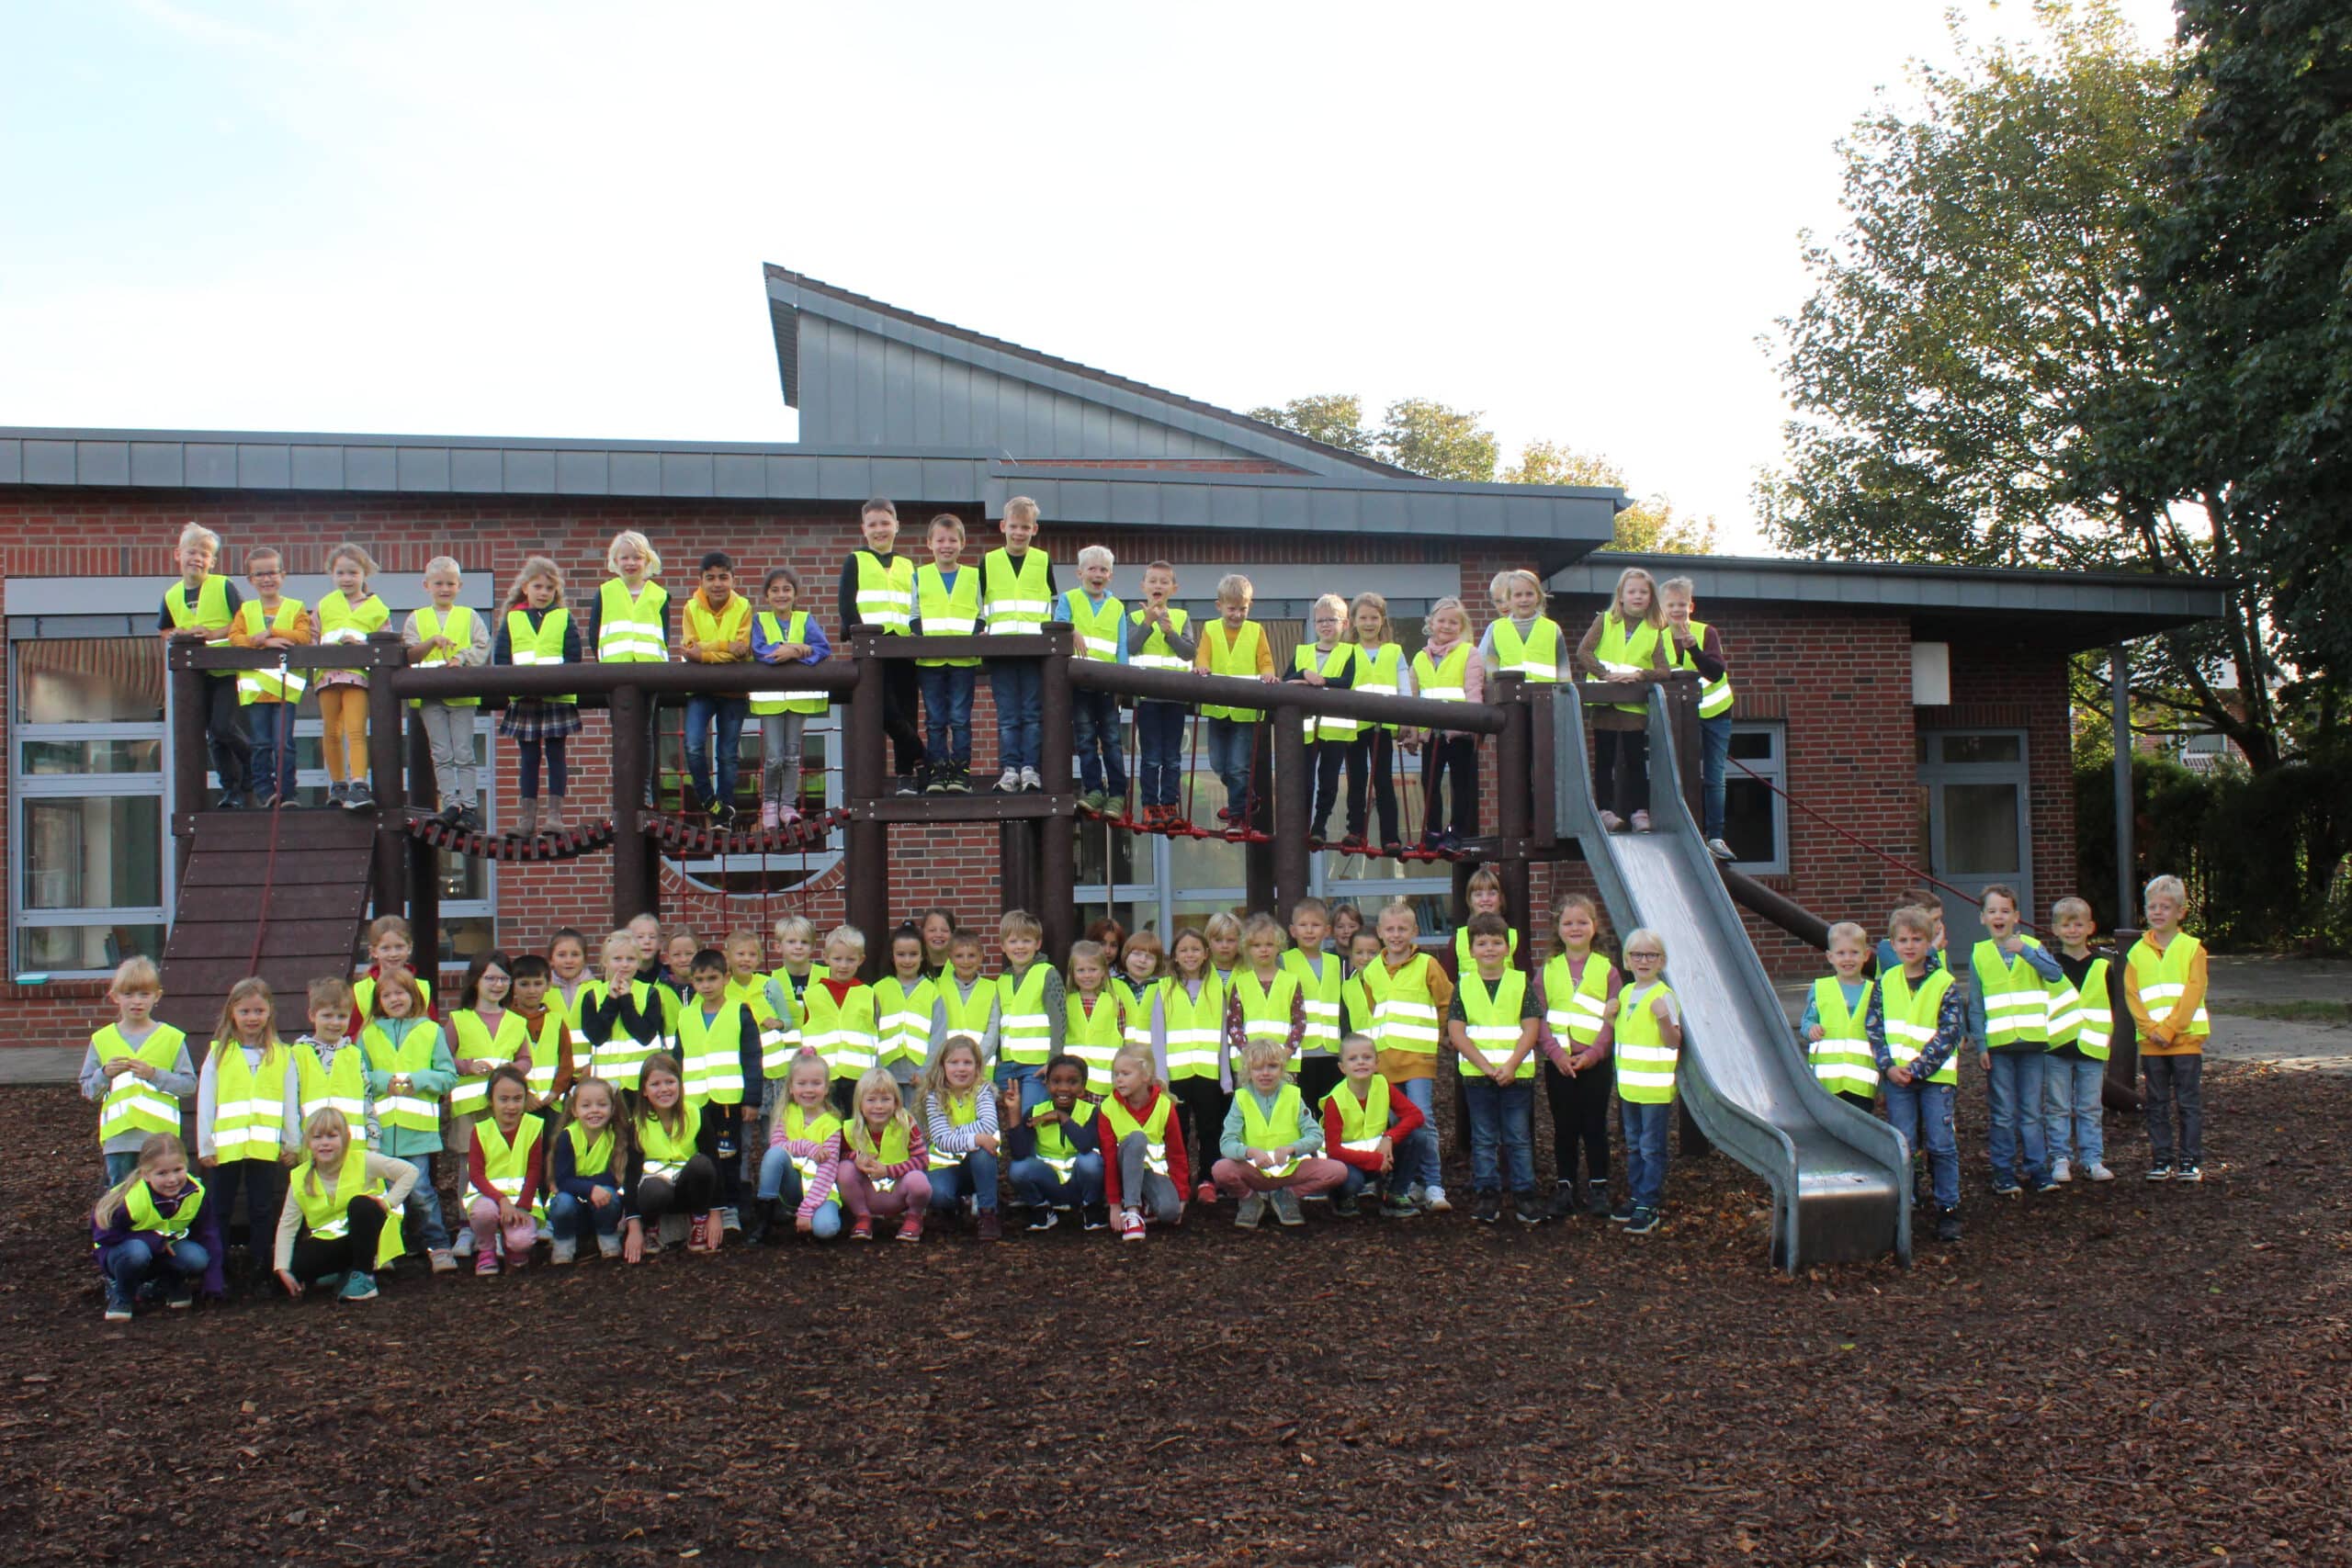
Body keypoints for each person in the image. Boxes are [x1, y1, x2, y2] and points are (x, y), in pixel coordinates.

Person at [1869, 904, 1967, 1243]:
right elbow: (1875, 1028)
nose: (1910, 946)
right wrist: (1888, 1066)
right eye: (1903, 940)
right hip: (1898, 1080)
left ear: (1930, 943)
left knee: (1941, 1144)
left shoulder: (1945, 982)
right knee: (1903, 1142)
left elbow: (1950, 1031)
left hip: (1935, 1079)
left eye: (1917, 939)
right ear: (1892, 945)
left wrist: (1919, 1067)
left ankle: (1948, 1208)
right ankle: (1906, 1202)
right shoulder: (1885, 982)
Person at [196, 976, 300, 1280]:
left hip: (265, 1147)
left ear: (269, 1012)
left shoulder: (282, 1054)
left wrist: (292, 1143)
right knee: (221, 1208)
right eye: (245, 1012)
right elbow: (206, 1102)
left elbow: (289, 1103)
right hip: (225, 1147)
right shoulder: (218, 1053)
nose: (252, 1018)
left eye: (258, 1011)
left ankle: (260, 1267)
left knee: (262, 1208)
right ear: (232, 1012)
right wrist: (205, 1144)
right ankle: (218, 1268)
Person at [1970, 884, 2069, 1197]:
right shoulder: (1980, 954)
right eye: (1992, 911)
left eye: (2005, 911)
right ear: (1982, 918)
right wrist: (1981, 1045)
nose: (1999, 916)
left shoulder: (2032, 945)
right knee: (2002, 1111)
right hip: (1999, 1047)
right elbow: (1976, 1005)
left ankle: (2037, 1168)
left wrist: (2025, 951)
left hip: (2032, 1044)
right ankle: (2003, 1171)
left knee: (2031, 1111)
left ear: (2017, 917)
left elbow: (2055, 974)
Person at [359, 968, 458, 1271]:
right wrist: (382, 1081)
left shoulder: (431, 1031)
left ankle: (439, 1246)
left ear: (414, 995)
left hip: (418, 1131)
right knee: (384, 1194)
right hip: (381, 1132)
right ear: (378, 1001)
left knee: (421, 1193)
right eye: (386, 995)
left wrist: (420, 1080)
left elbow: (448, 1076)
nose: (394, 999)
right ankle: (385, 1251)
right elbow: (358, 1075)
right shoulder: (369, 1034)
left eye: (400, 992)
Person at [1450, 911, 1543, 1224]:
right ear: (1471, 949)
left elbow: (1531, 1028)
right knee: (1484, 1138)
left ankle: (1525, 1195)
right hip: (1478, 1077)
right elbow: (1456, 1033)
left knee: (1518, 1137)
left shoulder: (1519, 981)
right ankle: (1487, 1195)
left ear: (1508, 947)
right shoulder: (1463, 985)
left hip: (1516, 1076)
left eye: (1496, 943)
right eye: (1482, 943)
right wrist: (1488, 1067)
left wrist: (1510, 1065)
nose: (1489, 949)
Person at [1362, 900, 1453, 1213]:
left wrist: (1441, 1036)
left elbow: (1446, 1002)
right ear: (1380, 932)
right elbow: (1375, 1011)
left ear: (1415, 931)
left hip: (1418, 1058)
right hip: (1386, 1063)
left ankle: (1433, 1185)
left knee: (1422, 1119)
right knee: (1397, 1123)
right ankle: (1409, 1181)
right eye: (1390, 929)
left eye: (1403, 929)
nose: (1396, 935)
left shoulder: (1427, 965)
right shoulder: (1372, 971)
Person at [156, 521, 252, 807]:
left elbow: (243, 619)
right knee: (211, 736)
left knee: (223, 727)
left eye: (204, 554)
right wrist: (175, 635)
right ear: (178, 555)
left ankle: (256, 762)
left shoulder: (223, 586)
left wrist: (213, 635)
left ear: (212, 561)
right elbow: (164, 629)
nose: (197, 558)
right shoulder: (171, 595)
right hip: (197, 677)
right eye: (192, 552)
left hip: (227, 671)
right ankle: (230, 790)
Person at [274, 1109, 414, 1303]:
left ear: (345, 1139)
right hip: (335, 1242)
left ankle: (364, 1278)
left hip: (372, 1236)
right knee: (294, 1269)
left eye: (332, 1136)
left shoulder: (363, 1160)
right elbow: (287, 1225)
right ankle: (346, 1271)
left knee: (360, 1205)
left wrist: (387, 1203)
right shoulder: (299, 1176)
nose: (324, 1143)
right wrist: (282, 1268)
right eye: (317, 1137)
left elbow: (409, 1172)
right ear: (308, 1142)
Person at [1535, 894, 1617, 1220]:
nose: (1575, 928)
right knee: (1564, 1126)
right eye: (1568, 923)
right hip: (1560, 1063)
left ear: (1594, 927)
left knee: (1595, 1124)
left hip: (1594, 1061)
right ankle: (1565, 1186)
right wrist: (1555, 1054)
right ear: (1558, 929)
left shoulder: (1607, 970)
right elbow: (1539, 1017)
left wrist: (1595, 1054)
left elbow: (1611, 1020)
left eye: (1582, 922)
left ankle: (1599, 1187)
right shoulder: (1548, 971)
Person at [1574, 565, 1670, 833]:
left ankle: (1639, 812)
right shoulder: (1605, 620)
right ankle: (1605, 810)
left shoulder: (1654, 630)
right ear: (1621, 596)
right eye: (1632, 591)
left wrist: (1640, 675)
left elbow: (1663, 670)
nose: (1637, 596)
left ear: (1650, 598)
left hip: (1633, 707)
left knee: (1635, 761)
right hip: (1605, 703)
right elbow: (1584, 652)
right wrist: (1606, 675)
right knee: (1604, 760)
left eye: (1643, 592)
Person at [84, 956, 196, 1185]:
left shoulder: (171, 1038)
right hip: (120, 1140)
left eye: (144, 994)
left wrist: (154, 1075)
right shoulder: (102, 1039)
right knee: (121, 1203)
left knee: (162, 1197)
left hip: (161, 1141)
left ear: (157, 996)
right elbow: (88, 1089)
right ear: (115, 996)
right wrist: (105, 1073)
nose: (137, 1001)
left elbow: (188, 1085)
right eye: (129, 994)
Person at [2127, 874, 2210, 1183]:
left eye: (2165, 906)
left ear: (2181, 911)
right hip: (2151, 1044)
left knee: (2188, 1102)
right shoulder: (2136, 952)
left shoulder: (2192, 949)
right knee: (2157, 1103)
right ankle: (2161, 1158)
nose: (2158, 912)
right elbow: (2132, 995)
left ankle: (2190, 1160)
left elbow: (2194, 989)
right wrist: (2150, 1030)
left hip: (2186, 1042)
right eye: (2152, 906)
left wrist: (2171, 1028)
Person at [838, 498, 924, 791]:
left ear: (897, 526)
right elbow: (846, 605)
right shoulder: (855, 560)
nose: (879, 530)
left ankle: (905, 775)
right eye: (873, 525)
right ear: (863, 529)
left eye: (885, 523)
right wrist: (860, 635)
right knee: (885, 711)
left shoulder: (907, 564)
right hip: (872, 649)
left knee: (907, 709)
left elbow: (916, 606)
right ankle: (922, 754)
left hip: (903, 648)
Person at [492, 556, 582, 838]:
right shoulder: (513, 619)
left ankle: (554, 817)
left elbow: (573, 656)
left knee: (556, 755)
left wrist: (558, 683)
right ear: (525, 588)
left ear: (556, 592)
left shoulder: (564, 617)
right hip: (525, 699)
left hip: (556, 698)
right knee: (529, 758)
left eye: (549, 588)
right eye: (538, 586)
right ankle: (526, 819)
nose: (543, 593)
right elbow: (503, 657)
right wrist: (514, 687)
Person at [92, 1133, 222, 1319]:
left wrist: (213, 1281)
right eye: (162, 1173)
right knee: (137, 1252)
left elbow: (209, 1235)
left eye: (178, 1170)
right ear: (146, 1174)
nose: (172, 1180)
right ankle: (122, 1294)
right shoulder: (131, 1199)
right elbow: (103, 1236)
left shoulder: (196, 1194)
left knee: (197, 1258)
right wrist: (154, 1240)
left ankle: (170, 1282)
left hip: (164, 1250)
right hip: (122, 1253)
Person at [401, 555, 490, 831]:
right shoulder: (416, 618)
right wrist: (433, 642)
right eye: (439, 583)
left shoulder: (470, 616)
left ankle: (470, 807)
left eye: (450, 583)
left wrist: (462, 658)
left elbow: (482, 647)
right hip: (430, 696)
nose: (444, 588)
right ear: (426, 585)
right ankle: (451, 804)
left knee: (464, 752)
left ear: (459, 586)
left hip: (461, 694)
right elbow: (409, 653)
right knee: (441, 753)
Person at [1215, 1040, 1345, 1227]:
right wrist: (1251, 1152)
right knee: (1221, 1170)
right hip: (1255, 1171)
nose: (1266, 1073)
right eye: (1258, 1068)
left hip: (1289, 1169)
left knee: (1337, 1171)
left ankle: (1288, 1196)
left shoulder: (1293, 1095)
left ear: (1282, 1068)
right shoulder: (1241, 1097)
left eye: (1273, 1066)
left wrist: (1292, 1148)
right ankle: (1250, 1199)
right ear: (1248, 1071)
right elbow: (1227, 1143)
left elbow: (1315, 1135)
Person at [674, 947, 758, 1232]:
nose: (706, 986)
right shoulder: (685, 1016)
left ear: (726, 978)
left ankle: (731, 1207)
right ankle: (703, 1210)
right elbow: (678, 1058)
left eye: (712, 978)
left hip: (728, 1101)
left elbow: (751, 1057)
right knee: (699, 1157)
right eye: (699, 980)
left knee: (729, 1157)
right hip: (695, 1103)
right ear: (692, 982)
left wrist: (752, 1100)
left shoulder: (739, 1011)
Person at [1657, 577, 1736, 860]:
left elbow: (1715, 672)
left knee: (1714, 775)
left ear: (1690, 606)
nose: (1677, 610)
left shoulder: (1706, 633)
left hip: (1715, 712)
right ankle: (1685, 830)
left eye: (1682, 604)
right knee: (1682, 772)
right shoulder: (1657, 636)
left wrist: (1693, 648)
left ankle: (1716, 836)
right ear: (1662, 608)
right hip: (1680, 716)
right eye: (1671, 605)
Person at [980, 495, 1056, 793]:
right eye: (1014, 526)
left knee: (1032, 714)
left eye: (1025, 527)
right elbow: (980, 604)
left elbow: (1052, 603)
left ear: (1034, 529)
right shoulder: (988, 561)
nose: (1019, 532)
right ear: (1003, 526)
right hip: (1000, 651)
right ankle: (1009, 769)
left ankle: (1030, 768)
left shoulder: (1043, 560)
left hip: (1034, 651)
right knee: (1008, 715)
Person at [2043, 897, 2120, 1184]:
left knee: (2090, 1107)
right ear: (2055, 929)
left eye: (2078, 924)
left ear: (2090, 927)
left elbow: (2111, 1008)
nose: (2073, 930)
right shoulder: (2049, 966)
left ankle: (2092, 1159)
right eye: (2066, 924)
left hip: (2091, 1048)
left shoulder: (2102, 967)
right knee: (2058, 1106)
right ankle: (2060, 1158)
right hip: (2057, 1047)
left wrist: (2108, 1042)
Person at [589, 530, 669, 805]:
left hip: (649, 672)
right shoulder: (605, 592)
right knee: (622, 732)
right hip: (616, 672)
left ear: (647, 560)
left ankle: (645, 789)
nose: (631, 563)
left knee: (646, 732)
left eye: (637, 557)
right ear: (615, 560)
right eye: (625, 557)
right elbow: (594, 633)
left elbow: (664, 634)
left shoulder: (659, 595)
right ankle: (624, 789)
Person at [1611, 928, 1682, 1235]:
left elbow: (1673, 1041)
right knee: (1633, 1146)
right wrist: (1609, 1018)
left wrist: (1664, 1018)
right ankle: (1637, 1196)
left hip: (1654, 1089)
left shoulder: (1663, 995)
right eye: (1637, 955)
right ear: (1627, 960)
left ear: (1662, 961)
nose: (1643, 960)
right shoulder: (1626, 993)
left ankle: (1649, 1203)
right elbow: (1628, 1035)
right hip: (1629, 1087)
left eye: (1650, 955)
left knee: (1651, 1147)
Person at [227, 546, 310, 808]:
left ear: (283, 575)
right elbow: (235, 639)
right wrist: (259, 642)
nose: (266, 579)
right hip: (256, 689)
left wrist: (272, 632)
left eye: (272, 573)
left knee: (284, 743)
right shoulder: (246, 610)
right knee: (261, 744)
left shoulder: (295, 607)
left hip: (286, 689)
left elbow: (304, 636)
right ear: (251, 580)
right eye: (259, 574)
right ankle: (265, 791)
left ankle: (288, 792)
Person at [1150, 928, 1228, 1206]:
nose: (1190, 955)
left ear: (1206, 953)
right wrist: (1161, 1078)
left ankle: (1208, 1179)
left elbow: (1222, 1035)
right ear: (1175, 956)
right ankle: (1179, 1182)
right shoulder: (1163, 988)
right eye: (1184, 950)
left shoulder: (1216, 986)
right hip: (1176, 1077)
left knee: (1210, 1130)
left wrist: (1226, 1079)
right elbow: (1157, 1036)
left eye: (1196, 949)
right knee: (1178, 1132)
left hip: (1208, 1074)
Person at [749, 565, 831, 826]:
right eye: (775, 590)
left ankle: (788, 806)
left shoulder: (805, 620)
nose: (781, 595)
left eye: (787, 589)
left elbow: (821, 649)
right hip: (770, 699)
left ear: (795, 594)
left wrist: (797, 652)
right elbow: (760, 651)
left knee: (793, 755)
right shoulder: (760, 620)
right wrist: (794, 650)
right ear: (766, 596)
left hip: (799, 698)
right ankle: (770, 804)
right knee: (774, 755)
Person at [311, 541, 390, 809]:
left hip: (357, 677)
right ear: (332, 574)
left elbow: (385, 645)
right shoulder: (324, 605)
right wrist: (326, 648)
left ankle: (358, 783)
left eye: (353, 573)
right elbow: (312, 638)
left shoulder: (378, 608)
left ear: (365, 573)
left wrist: (362, 649)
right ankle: (337, 784)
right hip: (327, 677)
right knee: (330, 731)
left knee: (355, 730)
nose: (346, 579)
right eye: (341, 573)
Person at [678, 549, 753, 827]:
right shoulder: (691, 608)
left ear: (733, 579)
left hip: (734, 690)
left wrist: (705, 652)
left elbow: (743, 651)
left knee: (727, 753)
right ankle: (708, 798)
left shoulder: (743, 607)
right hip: (701, 688)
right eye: (710, 578)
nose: (717, 583)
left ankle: (725, 810)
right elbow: (689, 649)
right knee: (694, 744)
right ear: (701, 581)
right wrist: (724, 647)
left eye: (723, 577)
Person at [623, 1054, 722, 1259]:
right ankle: (651, 1228)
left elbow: (714, 1163)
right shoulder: (636, 1124)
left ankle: (699, 1223)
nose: (664, 1089)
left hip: (688, 1190)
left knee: (702, 1165)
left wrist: (715, 1214)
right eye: (655, 1084)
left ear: (680, 1083)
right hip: (655, 1195)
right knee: (654, 1188)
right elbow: (630, 1177)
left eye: (670, 1082)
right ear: (643, 1090)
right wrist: (634, 1227)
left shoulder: (695, 1113)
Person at [1194, 573, 1275, 826]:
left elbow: (1264, 658)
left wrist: (1268, 673)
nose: (1237, 614)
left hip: (1244, 711)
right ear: (1219, 606)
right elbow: (1203, 655)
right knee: (1219, 764)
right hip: (1217, 707)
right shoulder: (1210, 628)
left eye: (1243, 609)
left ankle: (1239, 815)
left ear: (1249, 606)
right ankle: (1247, 798)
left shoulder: (1256, 630)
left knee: (1238, 766)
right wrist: (1202, 667)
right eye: (1232, 609)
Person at [1055, 544, 1128, 813]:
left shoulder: (1117, 606)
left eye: (1104, 570)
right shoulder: (1069, 599)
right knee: (1085, 739)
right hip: (1079, 683)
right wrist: (1071, 631)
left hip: (1108, 685)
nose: (1098, 574)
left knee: (1111, 740)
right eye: (1092, 568)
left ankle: (1118, 793)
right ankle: (1095, 789)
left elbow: (1121, 647)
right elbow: (1058, 626)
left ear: (1110, 575)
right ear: (1079, 573)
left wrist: (1123, 681)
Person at [1318, 1032, 1426, 1218]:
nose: (1361, 1062)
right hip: (1348, 1162)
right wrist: (1375, 1160)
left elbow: (1415, 1116)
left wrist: (1389, 1137)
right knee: (1353, 1182)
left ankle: (1395, 1194)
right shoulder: (1334, 1100)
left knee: (1417, 1137)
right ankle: (1341, 1196)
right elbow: (1333, 1150)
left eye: (1367, 1057)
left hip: (1380, 1155)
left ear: (1377, 1063)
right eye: (1353, 1059)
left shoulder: (1382, 1085)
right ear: (1342, 1067)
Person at [911, 514, 981, 795]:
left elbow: (981, 615)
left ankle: (961, 771)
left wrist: (974, 638)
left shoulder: (973, 576)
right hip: (930, 661)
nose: (946, 545)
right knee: (935, 719)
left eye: (953, 540)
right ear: (930, 544)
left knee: (961, 718)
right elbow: (914, 615)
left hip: (964, 660)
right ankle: (937, 770)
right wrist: (922, 640)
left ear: (962, 544)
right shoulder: (920, 575)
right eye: (940, 540)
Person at [1409, 596, 1484, 852]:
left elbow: (1473, 690)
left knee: (1460, 784)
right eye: (1442, 621)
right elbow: (1415, 696)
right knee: (1429, 782)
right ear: (1432, 623)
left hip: (1459, 731)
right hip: (1433, 732)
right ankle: (1431, 832)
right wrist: (1415, 732)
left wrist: (1474, 726)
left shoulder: (1469, 653)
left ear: (1461, 626)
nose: (1447, 626)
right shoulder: (1420, 658)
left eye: (1454, 622)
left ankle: (1456, 832)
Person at [1126, 560, 1197, 828]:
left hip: (1175, 698)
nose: (1158, 585)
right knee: (1151, 756)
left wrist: (1170, 633)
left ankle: (1170, 805)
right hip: (1147, 700)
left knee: (1172, 757)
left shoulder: (1180, 617)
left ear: (1174, 588)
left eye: (1164, 582)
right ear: (1143, 586)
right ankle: (1150, 806)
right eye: (1153, 581)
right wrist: (1147, 623)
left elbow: (1189, 653)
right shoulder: (1134, 617)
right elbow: (1130, 647)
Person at [1340, 593, 1410, 857]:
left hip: (1383, 726)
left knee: (1383, 781)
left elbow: (1403, 687)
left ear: (1382, 620)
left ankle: (1390, 836)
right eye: (1363, 618)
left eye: (1374, 617)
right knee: (1356, 780)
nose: (1369, 623)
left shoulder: (1394, 652)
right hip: (1355, 726)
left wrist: (1407, 720)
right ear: (1353, 622)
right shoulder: (1346, 652)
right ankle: (1355, 831)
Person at [1284, 593, 1358, 843]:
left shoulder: (1350, 652)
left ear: (1345, 624)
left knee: (1328, 783)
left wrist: (1321, 681)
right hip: (1305, 731)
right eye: (1320, 621)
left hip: (1335, 731)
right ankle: (1300, 827)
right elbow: (1286, 679)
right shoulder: (1303, 652)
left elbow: (1347, 682)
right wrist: (1304, 673)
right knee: (1302, 781)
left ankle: (1319, 826)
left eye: (1332, 620)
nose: (1325, 625)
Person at [752, 1051, 845, 1244]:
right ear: (791, 1088)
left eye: (816, 1083)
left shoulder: (832, 1124)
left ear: (827, 1088)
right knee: (775, 1155)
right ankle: (764, 1221)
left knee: (826, 1229)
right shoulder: (787, 1113)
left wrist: (807, 1209)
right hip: (792, 1188)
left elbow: (827, 1173)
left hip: (821, 1191)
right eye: (802, 1084)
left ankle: (825, 1214)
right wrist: (808, 1147)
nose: (809, 1090)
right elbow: (777, 1147)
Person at [1101, 1043, 1189, 1243]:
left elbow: (1177, 1154)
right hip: (1123, 1176)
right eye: (1116, 1074)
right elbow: (1109, 1158)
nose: (1119, 1079)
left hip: (1151, 1175)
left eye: (1125, 1073)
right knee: (1137, 1137)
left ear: (1145, 1076)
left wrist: (1182, 1196)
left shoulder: (1165, 1106)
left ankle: (1145, 1204)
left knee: (1170, 1213)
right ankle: (1131, 1211)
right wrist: (1114, 1204)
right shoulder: (1108, 1108)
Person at [463, 1066, 546, 1276]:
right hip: (488, 1199)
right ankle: (487, 1250)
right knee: (483, 1214)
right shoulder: (480, 1130)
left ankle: (512, 1248)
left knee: (521, 1241)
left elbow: (535, 1170)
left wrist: (523, 1206)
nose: (511, 1106)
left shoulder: (533, 1127)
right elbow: (476, 1174)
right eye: (504, 1099)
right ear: (491, 1100)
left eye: (518, 1099)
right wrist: (502, 1201)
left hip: (521, 1201)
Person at [918, 1035, 1002, 1240]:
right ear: (943, 1066)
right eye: (954, 1062)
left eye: (967, 1062)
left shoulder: (983, 1091)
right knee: (939, 1194)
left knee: (983, 1153)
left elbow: (989, 1124)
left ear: (977, 1066)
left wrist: (958, 1134)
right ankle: (952, 1207)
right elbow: (941, 1140)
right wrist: (977, 1137)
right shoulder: (934, 1096)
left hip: (976, 1167)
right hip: (943, 1168)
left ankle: (988, 1213)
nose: (961, 1068)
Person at [1007, 1054, 1104, 1230]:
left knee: (1090, 1161)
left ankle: (1090, 1207)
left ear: (1082, 1087)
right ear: (1046, 1083)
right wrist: (1014, 1112)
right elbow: (1019, 1153)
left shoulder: (1092, 1112)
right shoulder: (1036, 1111)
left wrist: (1062, 1117)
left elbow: (1085, 1145)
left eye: (1072, 1082)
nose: (1063, 1088)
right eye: (1056, 1081)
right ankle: (1041, 1208)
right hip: (1050, 1184)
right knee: (1018, 1169)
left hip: (1079, 1185)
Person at [837, 1068, 931, 1243]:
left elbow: (922, 1160)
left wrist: (888, 1170)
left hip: (899, 1191)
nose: (878, 1106)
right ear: (860, 1104)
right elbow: (840, 1156)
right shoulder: (849, 1128)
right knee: (844, 1170)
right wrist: (856, 1158)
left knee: (919, 1181)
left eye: (885, 1099)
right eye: (871, 1100)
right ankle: (862, 1218)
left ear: (896, 1102)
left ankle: (913, 1217)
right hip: (867, 1192)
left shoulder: (906, 1124)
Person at [1798, 922, 1880, 1111]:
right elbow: (1807, 1020)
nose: (1848, 959)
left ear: (1866, 955)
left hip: (1862, 1084)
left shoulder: (1874, 992)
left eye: (1854, 952)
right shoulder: (1820, 988)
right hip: (1826, 1083)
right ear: (1830, 957)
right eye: (1841, 953)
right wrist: (1810, 1029)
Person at [579, 929, 668, 1098]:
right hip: (606, 1087)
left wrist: (626, 999)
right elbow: (597, 1037)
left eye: (631, 959)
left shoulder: (650, 993)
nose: (624, 964)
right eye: (617, 959)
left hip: (644, 1085)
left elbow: (645, 1036)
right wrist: (611, 1000)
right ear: (605, 962)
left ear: (639, 962)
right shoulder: (592, 995)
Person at [548, 1076, 628, 1263]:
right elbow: (563, 1180)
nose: (594, 1111)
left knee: (610, 1195)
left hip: (601, 1203)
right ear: (574, 1110)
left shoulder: (616, 1136)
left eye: (601, 1104)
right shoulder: (567, 1136)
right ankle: (563, 1241)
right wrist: (590, 1189)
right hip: (574, 1201)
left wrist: (595, 1189)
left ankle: (607, 1235)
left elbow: (615, 1176)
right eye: (586, 1106)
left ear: (612, 1108)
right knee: (562, 1203)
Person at [802, 925, 880, 1114]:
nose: (843, 965)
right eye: (837, 959)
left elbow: (876, 1032)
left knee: (858, 1125)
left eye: (850, 960)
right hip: (823, 1076)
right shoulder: (811, 995)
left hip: (859, 1077)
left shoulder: (868, 994)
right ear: (826, 957)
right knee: (828, 1125)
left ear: (860, 960)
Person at [993, 908, 1063, 1114]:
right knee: (1007, 1124)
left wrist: (1054, 1060)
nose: (1020, 947)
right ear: (1003, 946)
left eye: (1026, 941)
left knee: (1030, 1117)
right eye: (1013, 941)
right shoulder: (1002, 980)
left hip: (1037, 1066)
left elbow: (1059, 1020)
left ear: (1037, 944)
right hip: (1006, 1066)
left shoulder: (1047, 973)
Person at [293, 976, 375, 1146]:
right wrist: (292, 1143)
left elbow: (367, 1098)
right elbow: (291, 1102)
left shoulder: (354, 1054)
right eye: (327, 1016)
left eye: (342, 1016)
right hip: (313, 1148)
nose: (335, 1023)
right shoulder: (298, 1054)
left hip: (353, 1149)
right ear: (312, 1015)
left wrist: (374, 1139)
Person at [1283, 899, 1346, 1106]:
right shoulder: (1284, 961)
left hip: (1331, 1051)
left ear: (1327, 930)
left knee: (1329, 1108)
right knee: (1304, 1108)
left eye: (1316, 925)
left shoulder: (1336, 962)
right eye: (1303, 925)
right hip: (1299, 1052)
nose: (1309, 931)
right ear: (1293, 931)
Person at [1226, 914, 1306, 1079]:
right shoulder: (1241, 983)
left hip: (1284, 1064)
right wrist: (1249, 1053)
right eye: (1257, 945)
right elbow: (1234, 1024)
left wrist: (1287, 1051)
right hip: (1248, 1065)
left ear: (1279, 947)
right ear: (1247, 949)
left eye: (1269, 944)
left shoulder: (1291, 981)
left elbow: (1300, 1022)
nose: (1264, 949)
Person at [874, 924, 939, 1109]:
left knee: (916, 1128)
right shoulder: (879, 989)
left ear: (922, 956)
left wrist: (926, 1071)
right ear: (892, 957)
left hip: (918, 1075)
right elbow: (872, 1032)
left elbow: (938, 1035)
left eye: (913, 954)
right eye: (901, 954)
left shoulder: (932, 991)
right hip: (886, 1073)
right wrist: (878, 1070)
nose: (907, 960)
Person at [930, 930, 1001, 1077]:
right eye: (959, 956)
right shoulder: (937, 986)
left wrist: (975, 1061)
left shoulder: (992, 988)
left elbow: (993, 1031)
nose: (966, 961)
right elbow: (935, 1029)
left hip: (981, 1070)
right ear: (950, 958)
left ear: (981, 957)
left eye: (972, 955)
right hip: (947, 1070)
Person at [1478, 569, 1566, 689]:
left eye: (1529, 594)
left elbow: (1564, 671)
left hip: (1546, 698)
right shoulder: (1496, 629)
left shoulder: (1552, 629)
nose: (1524, 599)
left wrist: (1565, 700)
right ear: (1509, 599)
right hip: (1508, 699)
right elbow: (1489, 672)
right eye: (1518, 595)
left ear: (1538, 596)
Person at [504, 953, 571, 1107]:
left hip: (552, 1103)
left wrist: (556, 1091)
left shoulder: (556, 1021)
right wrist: (523, 1095)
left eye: (538, 983)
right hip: (518, 1103)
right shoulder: (506, 1020)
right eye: (524, 984)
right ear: (512, 986)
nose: (531, 990)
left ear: (548, 985)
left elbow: (566, 1062)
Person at [1062, 940, 1125, 1097]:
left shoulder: (1114, 1002)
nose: (1087, 975)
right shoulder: (1065, 1002)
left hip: (1104, 1086)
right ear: (1073, 973)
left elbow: (1124, 1039)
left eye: (1093, 969)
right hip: (1071, 1084)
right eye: (1081, 970)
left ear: (1104, 971)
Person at [349, 913, 434, 1027]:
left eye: (399, 947)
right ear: (373, 951)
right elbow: (352, 1036)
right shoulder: (360, 991)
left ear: (409, 948)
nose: (393, 954)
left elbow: (434, 1033)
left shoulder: (422, 988)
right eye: (385, 948)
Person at [1116, 929, 1164, 1010]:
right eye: (1137, 954)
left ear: (1157, 963)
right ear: (1126, 954)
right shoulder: (1111, 985)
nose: (1142, 960)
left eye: (1149, 957)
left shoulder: (1163, 987)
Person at [918, 908, 958, 979]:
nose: (938, 935)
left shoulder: (961, 968)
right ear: (922, 933)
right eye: (932, 930)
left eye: (944, 930)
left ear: (952, 934)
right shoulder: (913, 969)